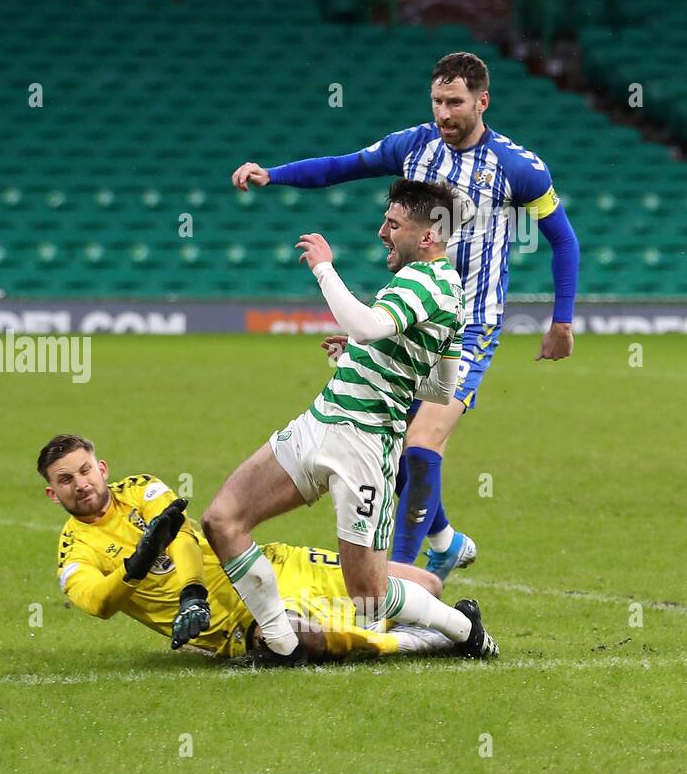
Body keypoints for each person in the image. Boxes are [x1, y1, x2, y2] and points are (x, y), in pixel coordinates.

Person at [231, 52, 581, 577]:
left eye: (455, 102)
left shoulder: (517, 168)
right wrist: (272, 175)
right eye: (437, 100)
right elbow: (342, 166)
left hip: (469, 325)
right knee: (394, 445)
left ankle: (398, 578)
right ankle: (443, 540)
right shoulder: (412, 145)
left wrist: (562, 321)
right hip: (411, 314)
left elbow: (563, 240)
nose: (444, 112)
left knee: (420, 442)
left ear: (482, 102)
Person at [202, 178, 499, 663]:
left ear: (427, 236)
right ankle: (281, 643)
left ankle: (465, 630)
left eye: (394, 223)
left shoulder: (428, 281)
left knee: (369, 594)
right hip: (320, 423)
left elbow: (368, 324)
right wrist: (359, 356)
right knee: (222, 520)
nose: (383, 231)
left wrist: (324, 270)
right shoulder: (438, 289)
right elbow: (437, 390)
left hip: (365, 447)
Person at [38, 435, 462, 662]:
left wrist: (191, 594)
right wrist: (135, 566)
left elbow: (181, 536)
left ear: (101, 467)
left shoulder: (141, 488)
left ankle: (407, 625)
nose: (81, 484)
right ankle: (429, 643)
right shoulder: (73, 549)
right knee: (296, 638)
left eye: (85, 470)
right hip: (234, 623)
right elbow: (97, 602)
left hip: (262, 564)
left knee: (427, 585)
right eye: (66, 480)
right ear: (52, 494)